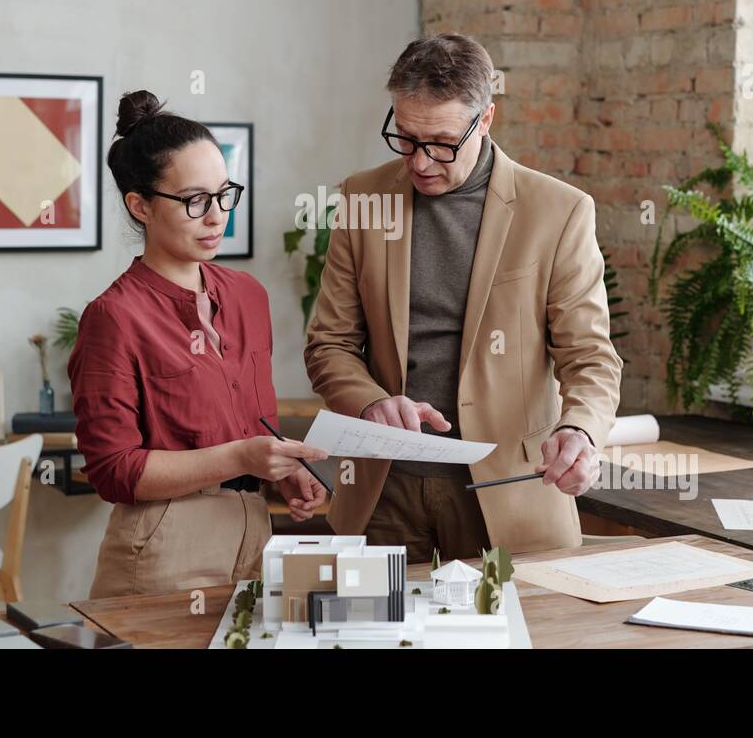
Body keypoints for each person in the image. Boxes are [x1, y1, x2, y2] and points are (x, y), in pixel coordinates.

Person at [304, 34, 622, 562]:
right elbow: (328, 345)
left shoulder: (559, 211)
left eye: (442, 143)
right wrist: (372, 401)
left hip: (509, 493)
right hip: (382, 493)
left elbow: (589, 356)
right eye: (405, 138)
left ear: (487, 118)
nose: (422, 162)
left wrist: (580, 430)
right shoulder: (362, 198)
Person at [69, 90, 327, 597]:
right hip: (164, 547)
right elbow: (114, 470)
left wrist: (282, 470)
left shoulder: (249, 296)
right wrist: (243, 458)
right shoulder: (113, 318)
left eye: (224, 194)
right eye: (194, 201)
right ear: (139, 205)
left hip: (254, 534)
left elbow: (250, 426)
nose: (216, 216)